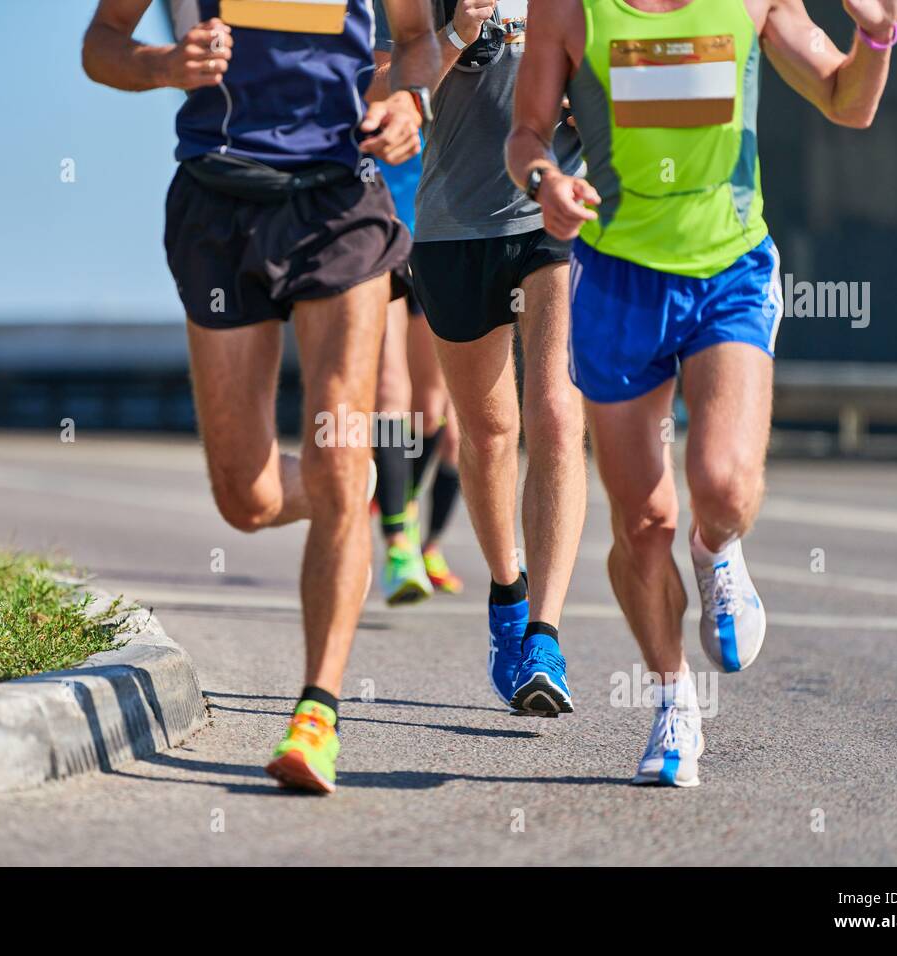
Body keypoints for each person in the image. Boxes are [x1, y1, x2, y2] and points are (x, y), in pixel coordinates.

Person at [507, 0, 897, 784]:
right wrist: (545, 179)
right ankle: (673, 699)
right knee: (643, 523)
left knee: (721, 486)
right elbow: (525, 133)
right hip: (618, 281)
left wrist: (878, 33)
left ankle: (718, 548)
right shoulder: (566, 8)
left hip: (729, 271)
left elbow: (846, 101)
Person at [83, 0, 440, 794]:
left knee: (339, 443)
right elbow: (100, 45)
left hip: (339, 201)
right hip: (219, 202)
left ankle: (317, 715)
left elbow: (417, 42)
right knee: (243, 498)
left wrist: (408, 104)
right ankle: (350, 486)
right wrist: (165, 67)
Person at [373, 0, 588, 716]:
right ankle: (507, 595)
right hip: (451, 227)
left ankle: (545, 635)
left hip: (554, 213)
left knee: (555, 411)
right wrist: (457, 31)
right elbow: (385, 82)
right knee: (489, 432)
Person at [369, 141, 465, 605]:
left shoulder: (447, 72)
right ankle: (398, 548)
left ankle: (407, 512)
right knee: (389, 388)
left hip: (436, 239)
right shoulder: (366, 73)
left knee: (432, 412)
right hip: (375, 237)